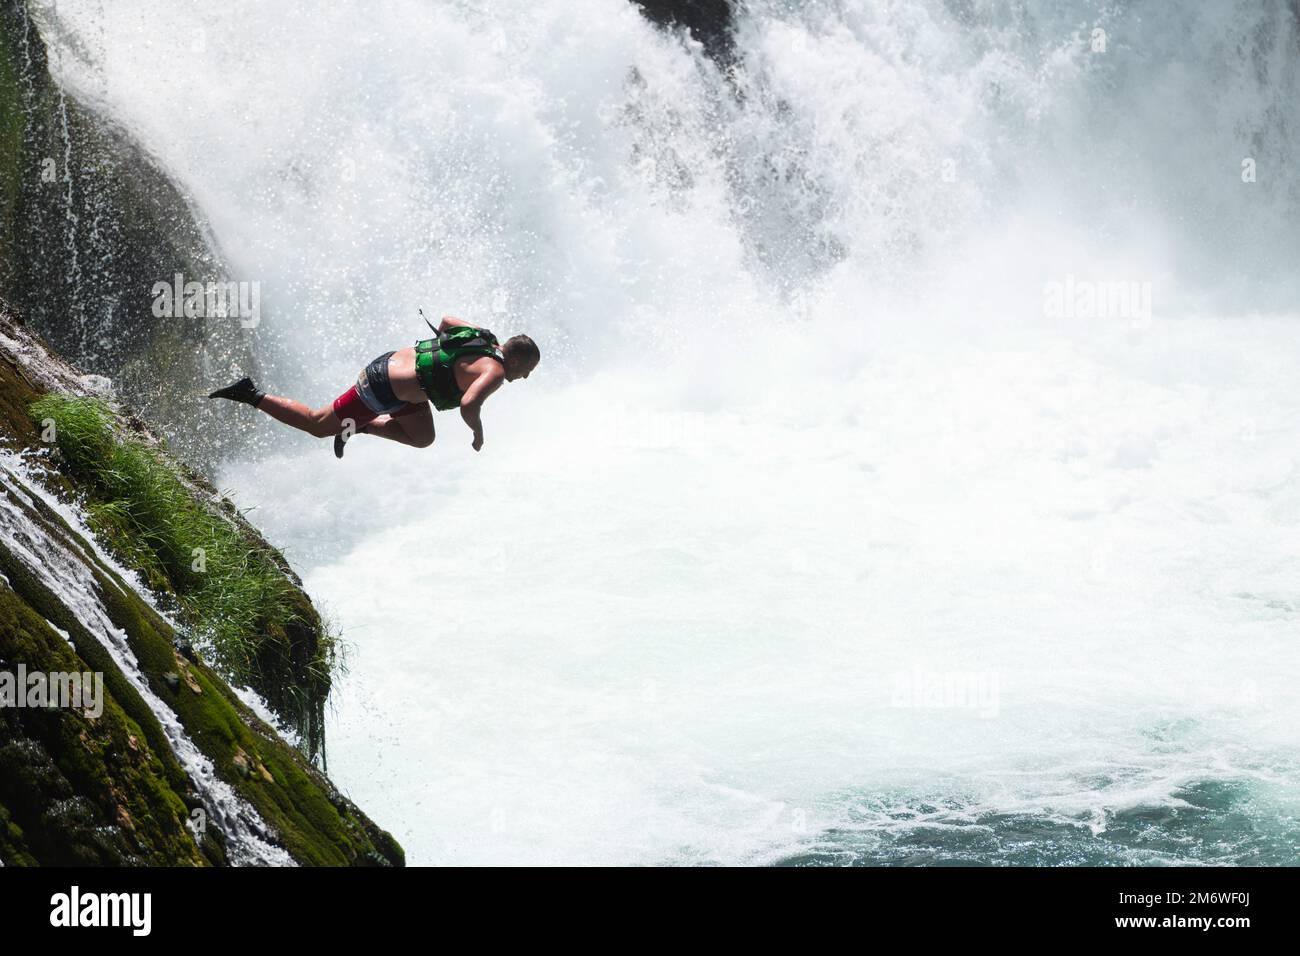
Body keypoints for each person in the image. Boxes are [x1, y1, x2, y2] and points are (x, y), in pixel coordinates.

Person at [208, 316, 539, 458]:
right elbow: (469, 403)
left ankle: (359, 428)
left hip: (399, 376)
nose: (524, 377)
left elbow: (447, 322)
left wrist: (443, 359)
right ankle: (250, 393)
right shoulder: (494, 372)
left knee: (423, 437)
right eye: (527, 371)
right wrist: (477, 433)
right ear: (518, 360)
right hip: (382, 386)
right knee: (316, 424)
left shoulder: (485, 338)